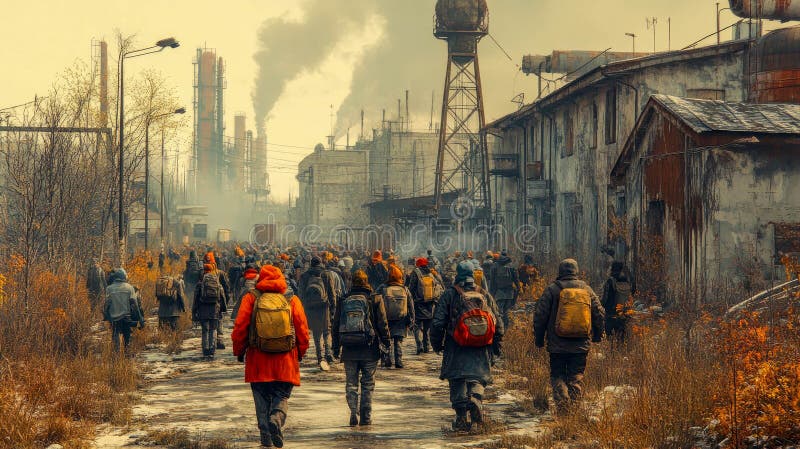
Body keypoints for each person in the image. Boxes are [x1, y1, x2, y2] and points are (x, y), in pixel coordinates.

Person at [232, 265, 310, 449]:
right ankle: (277, 417)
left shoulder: (251, 298)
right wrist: (300, 352)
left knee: (261, 397)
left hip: (258, 360)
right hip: (285, 361)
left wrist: (239, 351)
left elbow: (240, 328)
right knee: (281, 395)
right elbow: (303, 331)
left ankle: (265, 437)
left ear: (261, 279)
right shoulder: (292, 299)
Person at [431, 261, 504, 431]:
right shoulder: (484, 294)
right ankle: (476, 399)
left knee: (457, 379)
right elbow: (498, 323)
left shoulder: (450, 294)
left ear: (457, 274)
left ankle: (461, 418)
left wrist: (437, 344)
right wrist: (496, 346)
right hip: (482, 346)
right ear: (473, 275)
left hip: (456, 345)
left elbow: (437, 323)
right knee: (478, 377)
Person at [533, 259, 605, 414]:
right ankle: (574, 409)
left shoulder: (552, 289)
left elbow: (540, 316)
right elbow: (599, 313)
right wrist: (597, 335)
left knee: (557, 375)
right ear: (576, 271)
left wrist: (539, 339)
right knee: (576, 376)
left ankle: (563, 405)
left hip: (557, 344)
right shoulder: (586, 289)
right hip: (581, 344)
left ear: (560, 271)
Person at [332, 270, 391, 427]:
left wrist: (336, 348)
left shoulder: (343, 299)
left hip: (349, 349)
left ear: (352, 281)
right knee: (368, 384)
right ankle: (366, 417)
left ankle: (353, 412)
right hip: (370, 349)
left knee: (351, 384)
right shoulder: (375, 299)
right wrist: (386, 343)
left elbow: (336, 325)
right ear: (366, 281)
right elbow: (382, 324)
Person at [298, 256, 335, 370]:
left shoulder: (305, 276)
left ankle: (320, 357)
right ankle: (328, 352)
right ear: (321, 263)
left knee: (316, 332)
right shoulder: (327, 274)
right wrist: (333, 308)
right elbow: (332, 293)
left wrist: (303, 308)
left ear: (311, 263)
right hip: (324, 306)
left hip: (311, 308)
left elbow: (301, 294)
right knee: (327, 331)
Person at [379, 265, 415, 368]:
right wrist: (412, 319)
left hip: (386, 319)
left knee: (386, 340)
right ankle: (399, 361)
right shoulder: (405, 289)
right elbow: (411, 306)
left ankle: (387, 361)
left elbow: (375, 301)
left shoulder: (383, 288)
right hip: (401, 320)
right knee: (398, 341)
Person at [103, 268, 144, 354]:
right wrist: (140, 319)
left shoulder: (109, 288)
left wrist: (107, 317)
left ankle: (116, 355)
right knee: (127, 335)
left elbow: (107, 305)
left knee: (115, 335)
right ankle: (127, 354)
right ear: (124, 277)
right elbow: (135, 305)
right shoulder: (129, 287)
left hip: (114, 318)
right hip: (126, 317)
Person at [406, 257, 442, 354]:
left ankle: (419, 346)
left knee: (417, 326)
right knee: (427, 328)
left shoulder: (416, 273)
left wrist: (410, 300)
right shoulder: (431, 273)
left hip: (418, 303)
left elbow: (412, 287)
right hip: (430, 304)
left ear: (417, 264)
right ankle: (427, 346)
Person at [193, 260, 228, 360]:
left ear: (204, 270)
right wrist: (223, 309)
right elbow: (222, 297)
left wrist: (194, 312)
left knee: (205, 330)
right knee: (213, 329)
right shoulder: (217, 282)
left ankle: (205, 349)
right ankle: (212, 349)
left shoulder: (200, 284)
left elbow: (195, 300)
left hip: (203, 310)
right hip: (215, 310)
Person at [601, 261, 633, 343]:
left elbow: (605, 299)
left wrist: (601, 306)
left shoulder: (610, 281)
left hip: (611, 315)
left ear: (612, 269)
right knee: (622, 340)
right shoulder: (627, 281)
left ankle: (612, 351)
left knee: (610, 340)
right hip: (624, 315)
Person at [490, 250, 520, 329]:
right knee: (506, 311)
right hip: (510, 292)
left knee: (499, 312)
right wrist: (518, 288)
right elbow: (516, 278)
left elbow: (492, 281)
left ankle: (500, 328)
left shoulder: (495, 265)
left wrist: (491, 293)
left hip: (499, 292)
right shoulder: (512, 265)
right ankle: (506, 328)